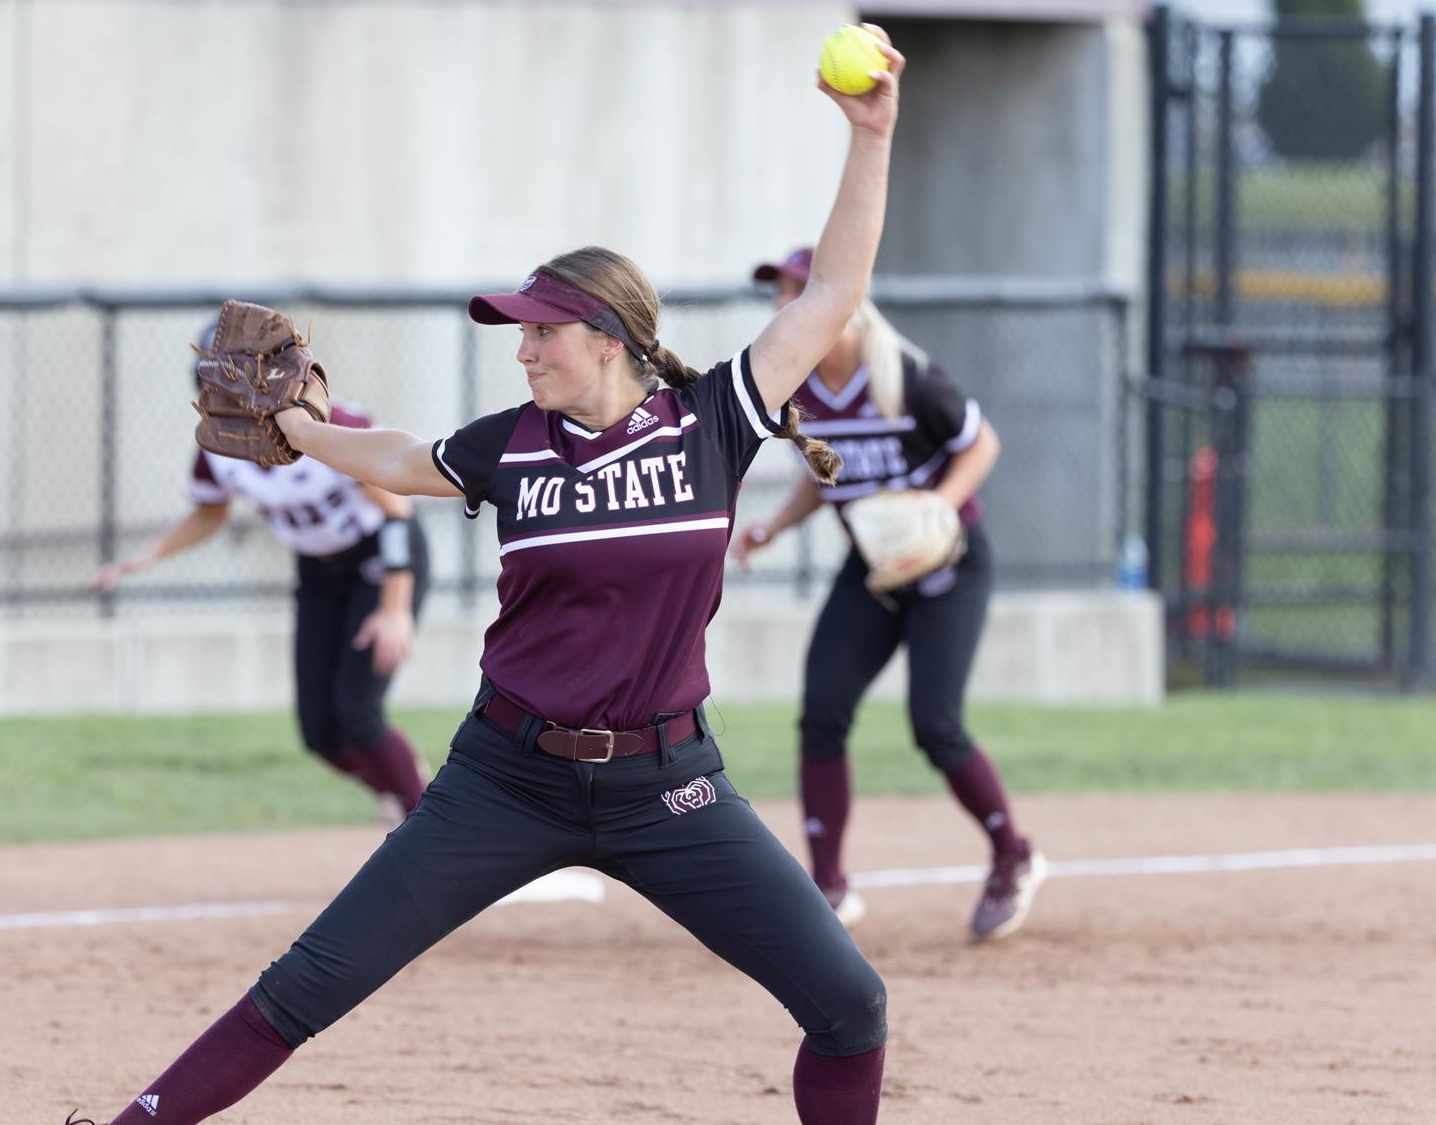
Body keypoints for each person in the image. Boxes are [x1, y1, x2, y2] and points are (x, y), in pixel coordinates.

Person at [74, 31, 904, 1125]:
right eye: (517, 336)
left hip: (671, 785)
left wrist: (870, 137)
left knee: (848, 1002)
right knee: (311, 982)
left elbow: (832, 293)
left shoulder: (710, 426)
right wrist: (293, 422)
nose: (521, 352)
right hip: (504, 779)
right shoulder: (511, 444)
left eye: (539, 335)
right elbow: (396, 459)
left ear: (605, 340)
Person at [732, 248, 1045, 941]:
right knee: (822, 711)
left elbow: (981, 442)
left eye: (793, 289)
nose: (781, 304)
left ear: (834, 298)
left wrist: (939, 506)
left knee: (935, 723)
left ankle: (1012, 857)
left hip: (946, 568)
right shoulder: (800, 390)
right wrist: (773, 527)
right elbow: (825, 477)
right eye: (780, 292)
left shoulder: (902, 373)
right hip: (873, 572)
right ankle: (828, 890)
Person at [92, 345, 431, 826]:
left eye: (242, 389)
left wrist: (395, 608)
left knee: (358, 715)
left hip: (380, 562)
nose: (232, 406)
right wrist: (143, 559)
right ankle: (404, 788)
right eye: (218, 394)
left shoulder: (330, 429)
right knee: (320, 734)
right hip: (317, 570)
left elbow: (397, 512)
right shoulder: (220, 450)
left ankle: (427, 822)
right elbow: (210, 514)